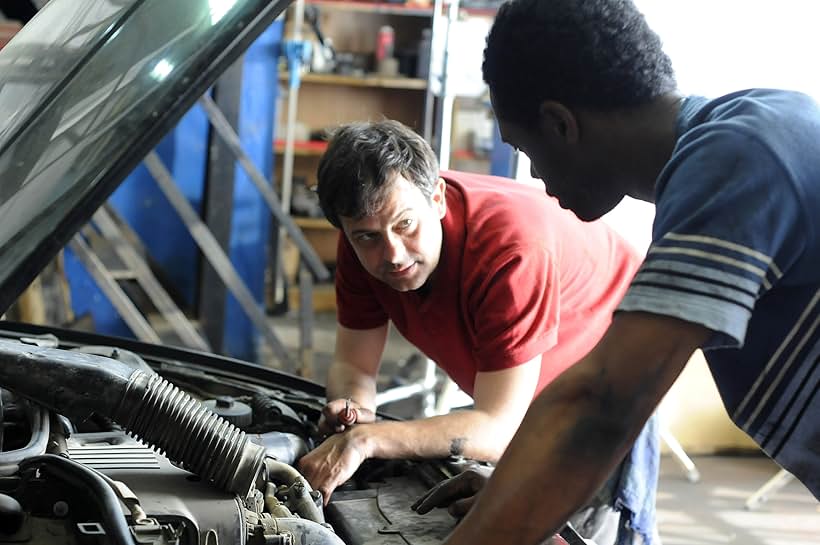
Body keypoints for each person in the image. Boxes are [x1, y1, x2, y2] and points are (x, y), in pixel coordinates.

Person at [412, 0, 820, 543]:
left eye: (526, 149)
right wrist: (513, 490)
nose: (537, 176)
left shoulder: (735, 159)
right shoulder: (747, 131)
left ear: (560, 124)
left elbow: (603, 402)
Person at [297, 119, 661, 544]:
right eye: (367, 237)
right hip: (512, 394)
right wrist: (351, 416)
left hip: (610, 367)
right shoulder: (364, 238)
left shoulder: (510, 251)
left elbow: (497, 427)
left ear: (436, 199)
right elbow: (353, 365)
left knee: (564, 529)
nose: (392, 254)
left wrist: (369, 441)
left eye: (405, 226)